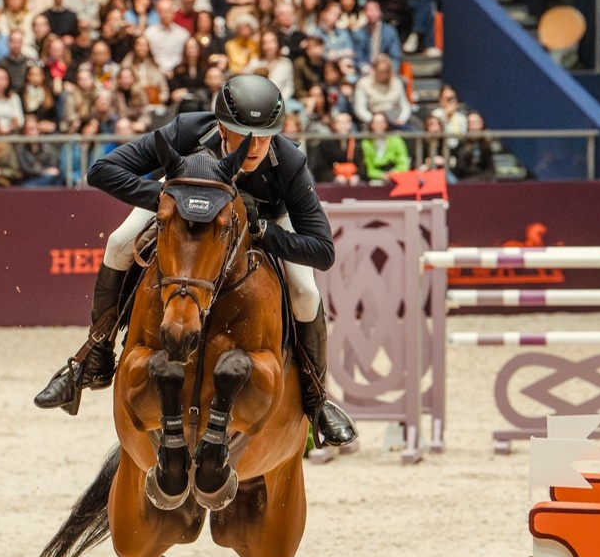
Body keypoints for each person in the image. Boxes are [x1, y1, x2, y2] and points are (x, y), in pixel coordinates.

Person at [33, 74, 357, 449]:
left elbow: (322, 249)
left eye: (266, 136)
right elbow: (102, 171)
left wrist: (265, 230)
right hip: (184, 214)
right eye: (242, 134)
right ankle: (94, 356)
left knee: (305, 291)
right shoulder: (187, 130)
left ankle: (317, 400)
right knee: (119, 243)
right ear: (221, 127)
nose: (255, 147)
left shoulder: (288, 161)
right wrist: (173, 195)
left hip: (262, 221)